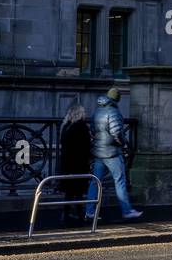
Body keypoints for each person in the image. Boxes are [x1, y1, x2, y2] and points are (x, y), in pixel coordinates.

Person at [84, 87, 143, 221]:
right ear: (117, 99)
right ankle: (127, 211)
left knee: (95, 182)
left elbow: (93, 130)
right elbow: (117, 132)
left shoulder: (98, 110)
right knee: (120, 181)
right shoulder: (113, 112)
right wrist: (122, 143)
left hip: (99, 151)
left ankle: (90, 211)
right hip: (112, 153)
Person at [57, 103, 92, 223]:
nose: (86, 114)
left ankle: (66, 213)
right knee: (78, 191)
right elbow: (86, 147)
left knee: (69, 191)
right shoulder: (81, 127)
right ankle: (80, 214)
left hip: (67, 163)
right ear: (79, 114)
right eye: (84, 112)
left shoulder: (65, 126)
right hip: (79, 163)